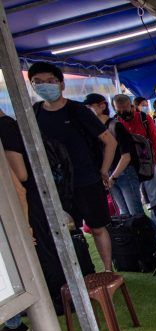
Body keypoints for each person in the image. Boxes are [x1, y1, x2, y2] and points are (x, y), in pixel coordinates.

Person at [28, 62, 116, 272]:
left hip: (87, 180)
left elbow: (110, 142)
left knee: (97, 227)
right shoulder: (34, 113)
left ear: (61, 84)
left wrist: (103, 171)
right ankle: (81, 272)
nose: (44, 86)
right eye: (38, 82)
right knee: (68, 232)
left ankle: (108, 271)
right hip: (57, 186)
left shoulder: (78, 111)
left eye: (50, 81)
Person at [0, 110, 37, 331]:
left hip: (13, 224)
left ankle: (38, 328)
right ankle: (14, 323)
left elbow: (19, 187)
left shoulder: (6, 127)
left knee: (27, 275)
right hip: (12, 224)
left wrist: (25, 227)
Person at [112, 93, 156, 244]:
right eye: (119, 109)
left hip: (148, 165)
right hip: (129, 169)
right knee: (133, 206)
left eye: (125, 108)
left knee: (155, 199)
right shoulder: (115, 122)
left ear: (131, 106)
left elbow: (155, 140)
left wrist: (154, 161)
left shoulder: (143, 118)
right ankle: (148, 235)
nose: (122, 112)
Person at [84, 93, 142, 218]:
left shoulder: (116, 126)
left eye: (89, 107)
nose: (87, 111)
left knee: (136, 214)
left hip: (125, 174)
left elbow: (126, 156)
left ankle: (155, 232)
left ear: (102, 106)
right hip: (109, 176)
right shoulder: (96, 130)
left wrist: (113, 177)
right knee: (124, 215)